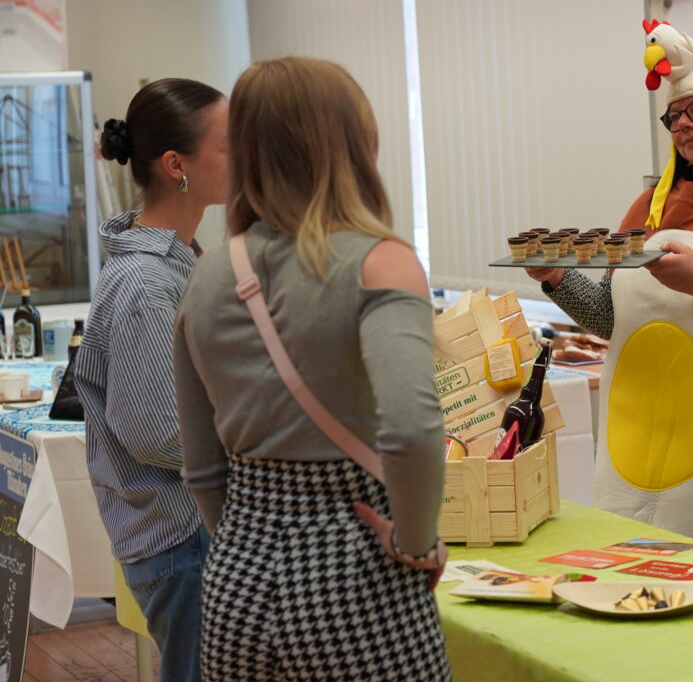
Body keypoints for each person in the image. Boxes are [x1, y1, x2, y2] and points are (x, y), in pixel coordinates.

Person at [172, 57, 451, 681]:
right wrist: (414, 542)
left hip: (236, 583)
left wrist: (248, 541)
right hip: (357, 573)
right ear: (351, 146)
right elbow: (411, 432)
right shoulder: (380, 261)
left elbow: (203, 470)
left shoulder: (205, 276)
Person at [529, 20, 693, 562]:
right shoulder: (651, 205)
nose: (683, 124)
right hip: (644, 442)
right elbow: (616, 321)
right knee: (642, 574)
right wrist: (556, 279)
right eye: (674, 115)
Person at [76, 78, 229, 682]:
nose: (241, 157)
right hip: (181, 536)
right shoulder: (147, 283)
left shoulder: (178, 261)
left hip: (185, 531)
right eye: (226, 145)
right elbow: (154, 432)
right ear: (176, 165)